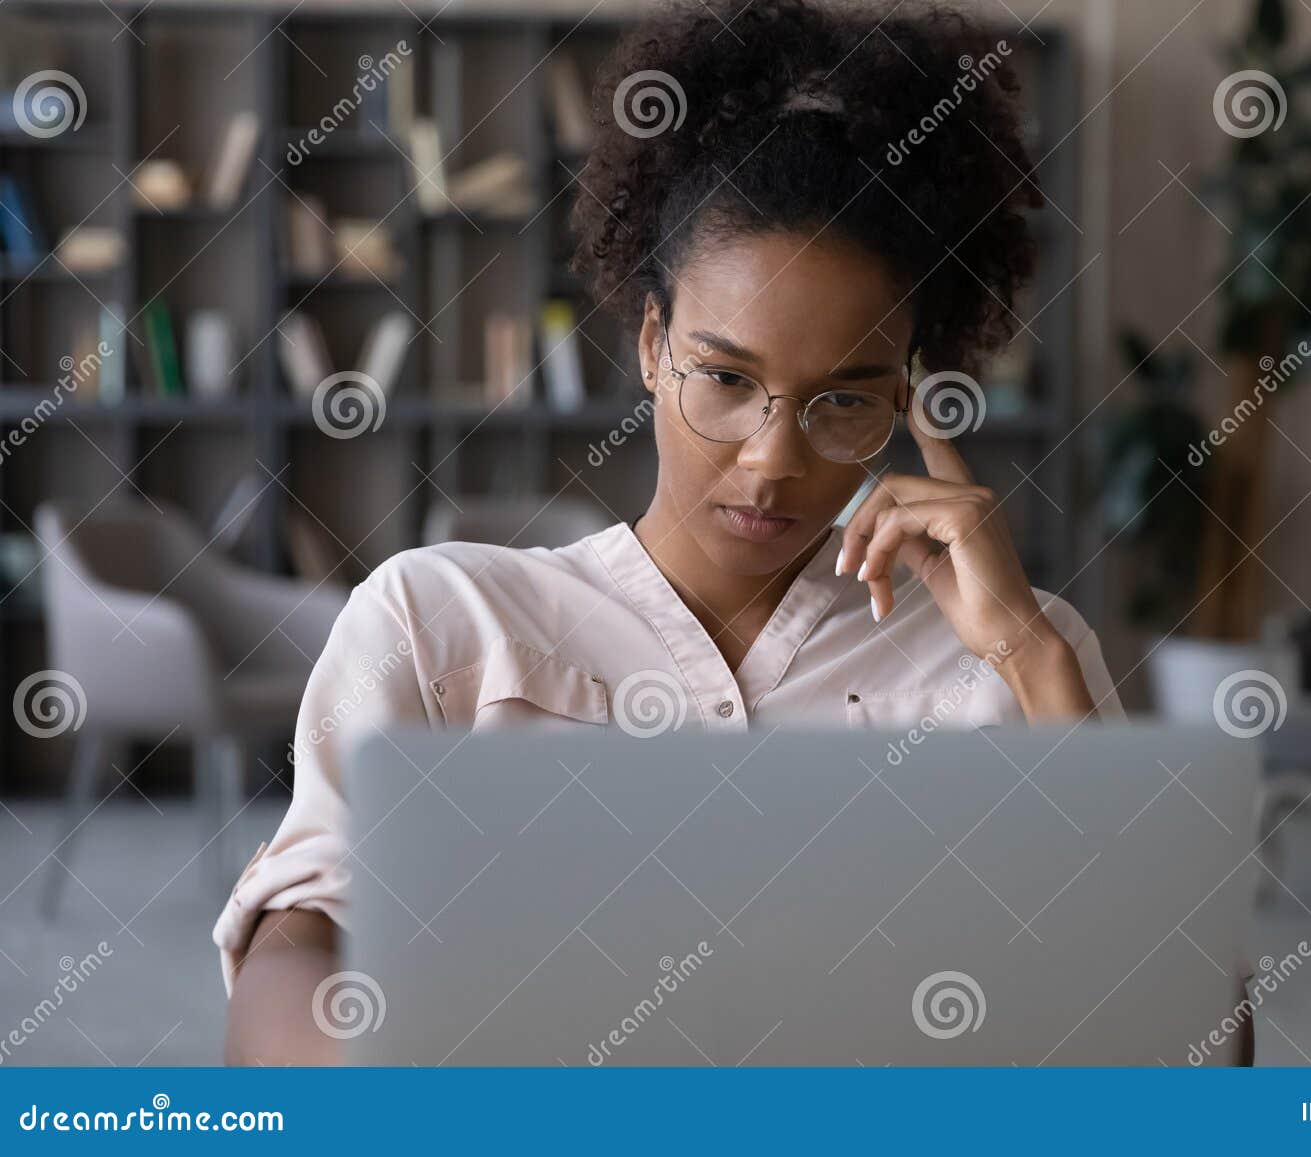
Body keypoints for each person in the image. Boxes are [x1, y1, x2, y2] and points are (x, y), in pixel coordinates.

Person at [219, 0, 1130, 1064]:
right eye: (728, 378)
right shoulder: (442, 624)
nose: (773, 457)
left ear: (908, 393)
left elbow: (1197, 1045)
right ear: (653, 345)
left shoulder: (1008, 664)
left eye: (844, 397)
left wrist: (1033, 652)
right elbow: (296, 955)